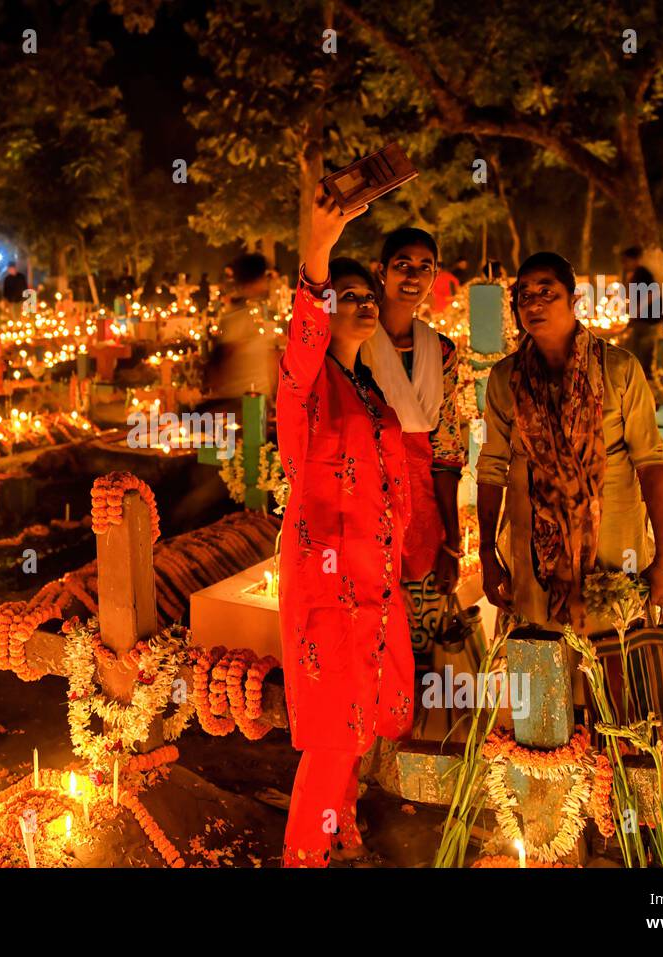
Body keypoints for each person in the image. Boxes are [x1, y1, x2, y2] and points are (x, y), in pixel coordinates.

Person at [277, 184, 415, 867]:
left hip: (376, 585)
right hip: (328, 586)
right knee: (334, 728)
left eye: (369, 296)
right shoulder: (306, 387)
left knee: (361, 719)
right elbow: (302, 336)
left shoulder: (372, 391)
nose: (361, 303)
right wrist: (320, 247)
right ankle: (304, 852)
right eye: (346, 295)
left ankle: (342, 827)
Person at [477, 251, 663, 634]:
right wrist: (488, 552)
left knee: (614, 663)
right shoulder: (506, 379)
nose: (533, 302)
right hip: (534, 554)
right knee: (544, 669)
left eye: (546, 292)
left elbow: (651, 465)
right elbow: (491, 467)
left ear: (574, 300)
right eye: (524, 295)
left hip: (614, 547)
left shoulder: (617, 370)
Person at [360, 227, 465, 667]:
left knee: (418, 655)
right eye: (403, 264)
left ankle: (407, 734)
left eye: (426, 267)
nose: (414, 276)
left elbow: (446, 452)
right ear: (380, 271)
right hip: (362, 509)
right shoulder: (352, 341)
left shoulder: (440, 351)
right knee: (367, 648)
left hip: (422, 520)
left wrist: (452, 544)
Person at [206, 253, 278, 410]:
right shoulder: (237, 316)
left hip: (257, 398)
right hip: (242, 402)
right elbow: (222, 356)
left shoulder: (251, 310)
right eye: (264, 277)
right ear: (254, 280)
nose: (267, 282)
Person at [620, 245, 661, 376]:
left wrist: (636, 312)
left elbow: (651, 294)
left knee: (643, 353)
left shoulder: (642, 273)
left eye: (626, 261)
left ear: (634, 260)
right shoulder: (636, 274)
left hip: (647, 320)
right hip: (642, 320)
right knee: (637, 351)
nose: (624, 265)